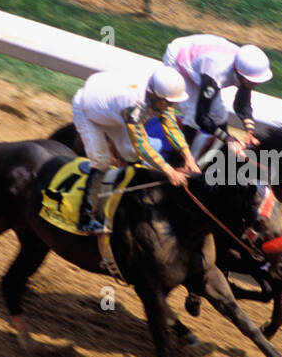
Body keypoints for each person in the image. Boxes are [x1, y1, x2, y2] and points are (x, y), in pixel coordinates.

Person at [70, 66, 200, 233]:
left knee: (130, 154)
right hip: (87, 110)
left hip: (115, 112)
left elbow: (171, 126)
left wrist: (188, 156)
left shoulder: (159, 95)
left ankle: (125, 204)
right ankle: (87, 217)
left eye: (173, 102)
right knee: (102, 161)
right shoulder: (134, 103)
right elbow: (142, 145)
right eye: (168, 102)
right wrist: (169, 171)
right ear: (154, 95)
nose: (171, 106)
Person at [162, 34, 273, 156]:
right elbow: (201, 116)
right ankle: (178, 160)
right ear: (238, 73)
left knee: (220, 115)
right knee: (193, 116)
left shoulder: (244, 70)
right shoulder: (217, 73)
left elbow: (241, 105)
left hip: (203, 59)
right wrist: (228, 139)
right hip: (178, 58)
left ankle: (222, 152)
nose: (255, 84)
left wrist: (249, 131)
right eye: (252, 81)